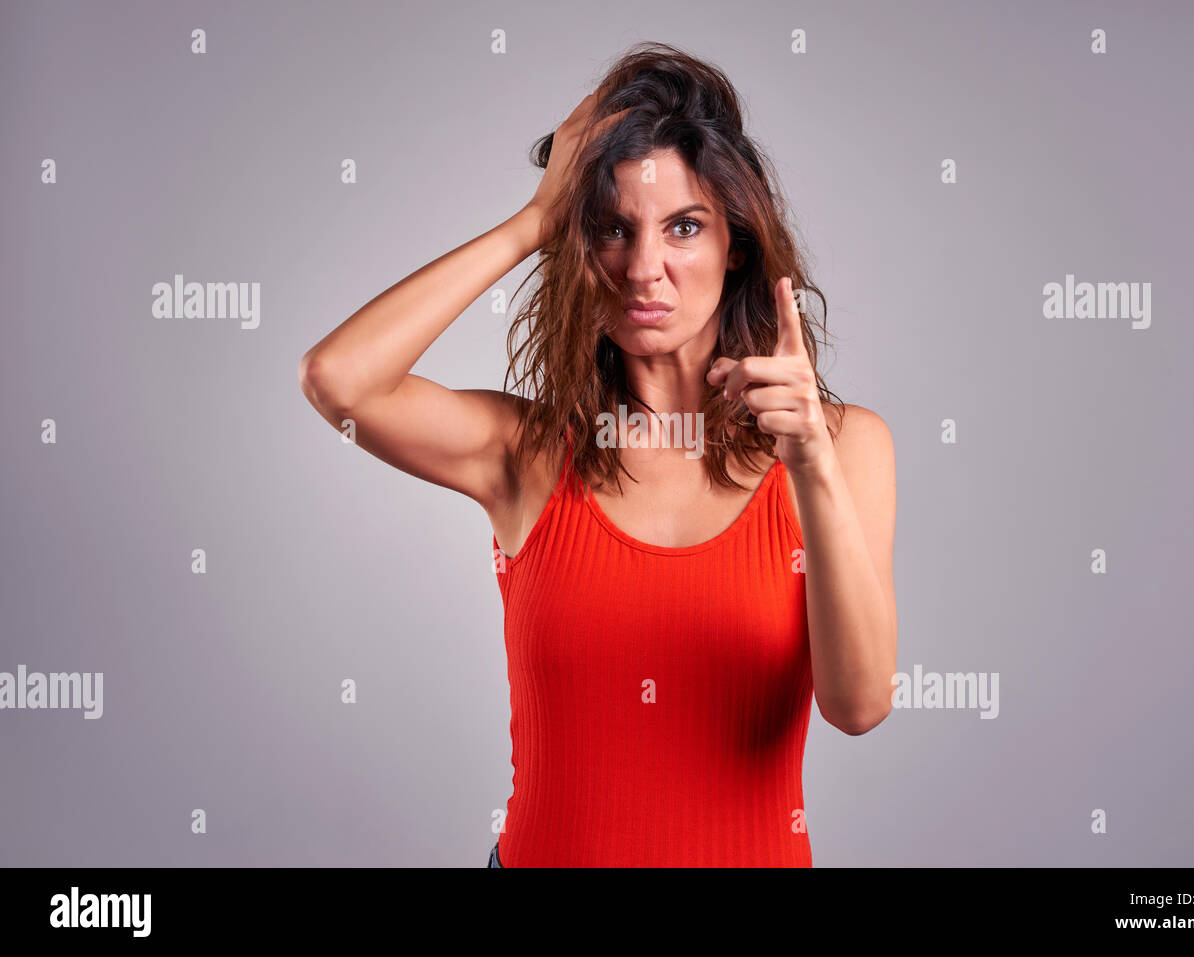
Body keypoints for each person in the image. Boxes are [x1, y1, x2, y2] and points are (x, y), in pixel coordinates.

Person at [299, 41, 898, 867]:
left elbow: (860, 703)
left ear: (738, 245)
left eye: (684, 227)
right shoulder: (525, 452)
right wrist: (534, 223)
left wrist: (811, 469)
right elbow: (339, 380)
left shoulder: (843, 447)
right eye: (612, 229)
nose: (645, 268)